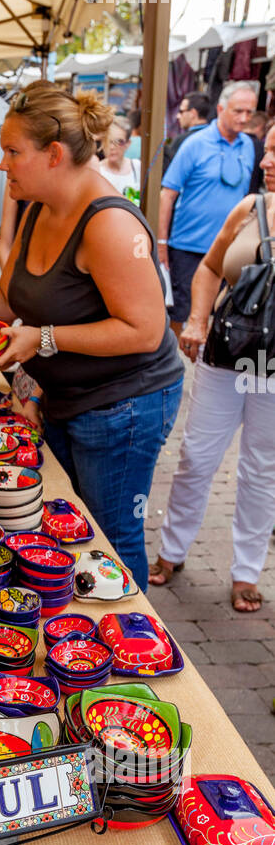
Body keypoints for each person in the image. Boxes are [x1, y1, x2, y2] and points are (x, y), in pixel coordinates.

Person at [0, 80, 183, 592]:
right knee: (69, 521)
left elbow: (145, 331)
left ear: (54, 153)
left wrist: (46, 340)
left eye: (13, 152)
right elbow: (18, 301)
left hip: (124, 404)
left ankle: (134, 649)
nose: (4, 165)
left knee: (111, 536)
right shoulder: (38, 207)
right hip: (68, 397)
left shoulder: (109, 225)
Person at [149, 124, 275, 613]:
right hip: (228, 353)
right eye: (265, 150)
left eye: (274, 153)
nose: (264, 161)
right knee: (197, 456)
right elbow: (207, 268)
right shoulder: (250, 210)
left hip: (271, 363)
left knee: (262, 469)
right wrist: (197, 318)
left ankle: (246, 572)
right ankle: (172, 552)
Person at [158, 81, 258, 327]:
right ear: (221, 108)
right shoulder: (195, 143)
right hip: (188, 248)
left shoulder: (249, 146)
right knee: (183, 316)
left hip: (228, 249)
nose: (244, 118)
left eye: (250, 112)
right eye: (238, 111)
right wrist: (162, 244)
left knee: (222, 315)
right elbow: (167, 194)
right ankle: (181, 365)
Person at [163, 91, 211, 170]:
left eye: (181, 111)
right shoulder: (215, 137)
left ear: (193, 113)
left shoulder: (182, 140)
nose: (178, 116)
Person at [97, 118, 141, 198]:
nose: (112, 147)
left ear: (128, 144)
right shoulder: (97, 171)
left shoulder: (137, 166)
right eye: (108, 141)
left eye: (119, 141)